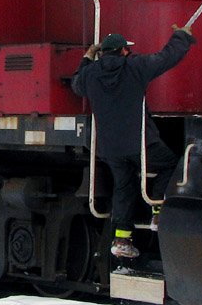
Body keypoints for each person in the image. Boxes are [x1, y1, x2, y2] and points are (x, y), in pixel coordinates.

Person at [71, 27, 195, 259]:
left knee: (123, 187)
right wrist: (181, 36)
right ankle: (157, 212)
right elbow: (167, 57)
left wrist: (87, 57)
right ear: (123, 51)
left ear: (103, 53)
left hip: (109, 148)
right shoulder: (135, 66)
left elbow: (77, 84)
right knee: (169, 164)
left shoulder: (91, 74)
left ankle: (122, 239)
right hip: (140, 144)